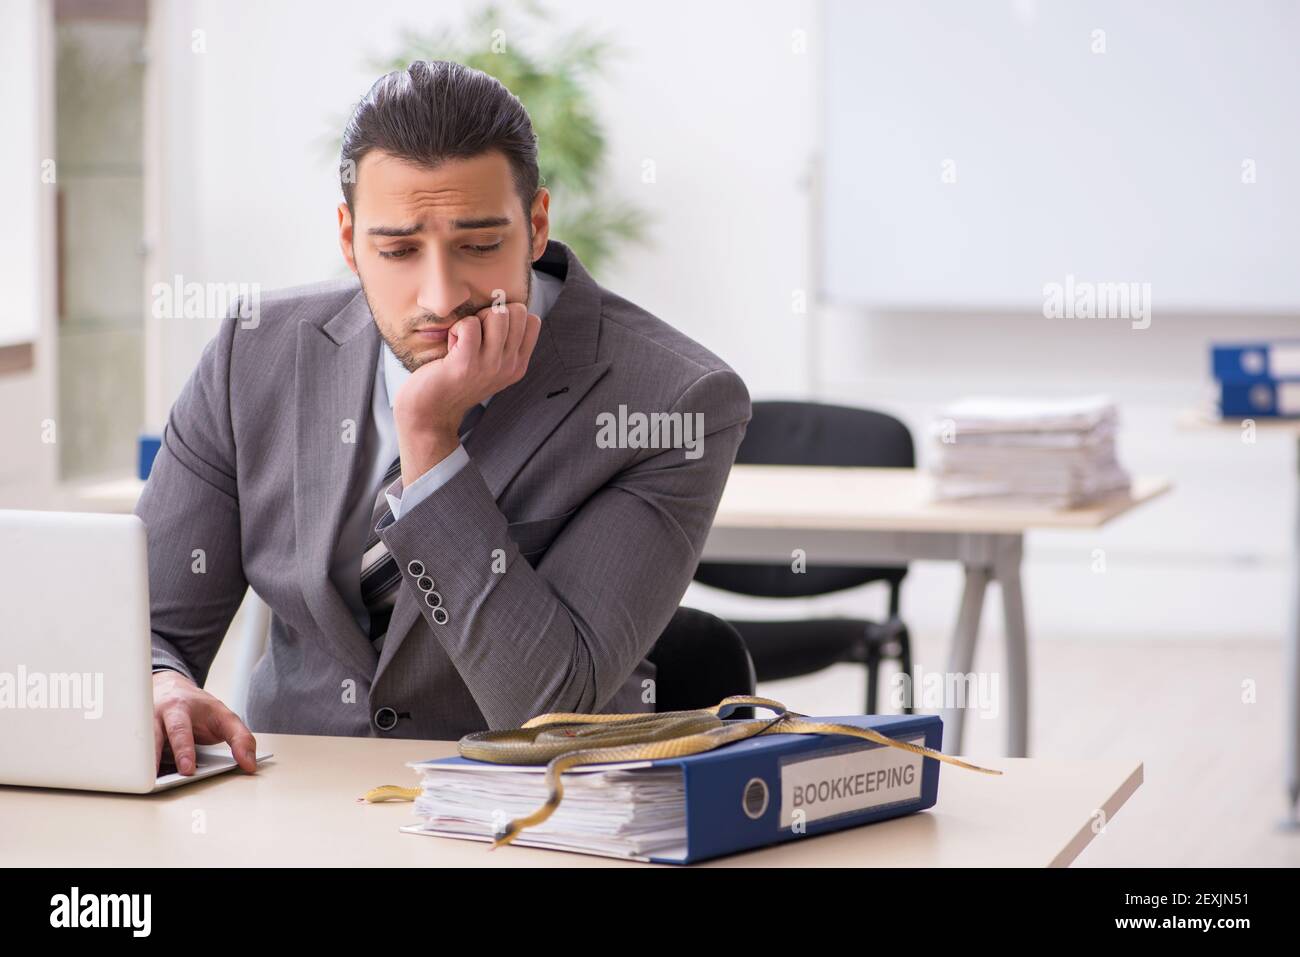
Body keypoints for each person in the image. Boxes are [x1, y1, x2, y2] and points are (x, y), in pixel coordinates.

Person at [143, 60, 750, 776]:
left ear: (536, 224)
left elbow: (550, 711)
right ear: (349, 239)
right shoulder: (255, 353)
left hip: (532, 818)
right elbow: (145, 625)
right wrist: (161, 682)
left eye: (480, 244)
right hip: (289, 811)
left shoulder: (675, 401)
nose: (440, 294)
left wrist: (430, 443)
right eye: (398, 250)